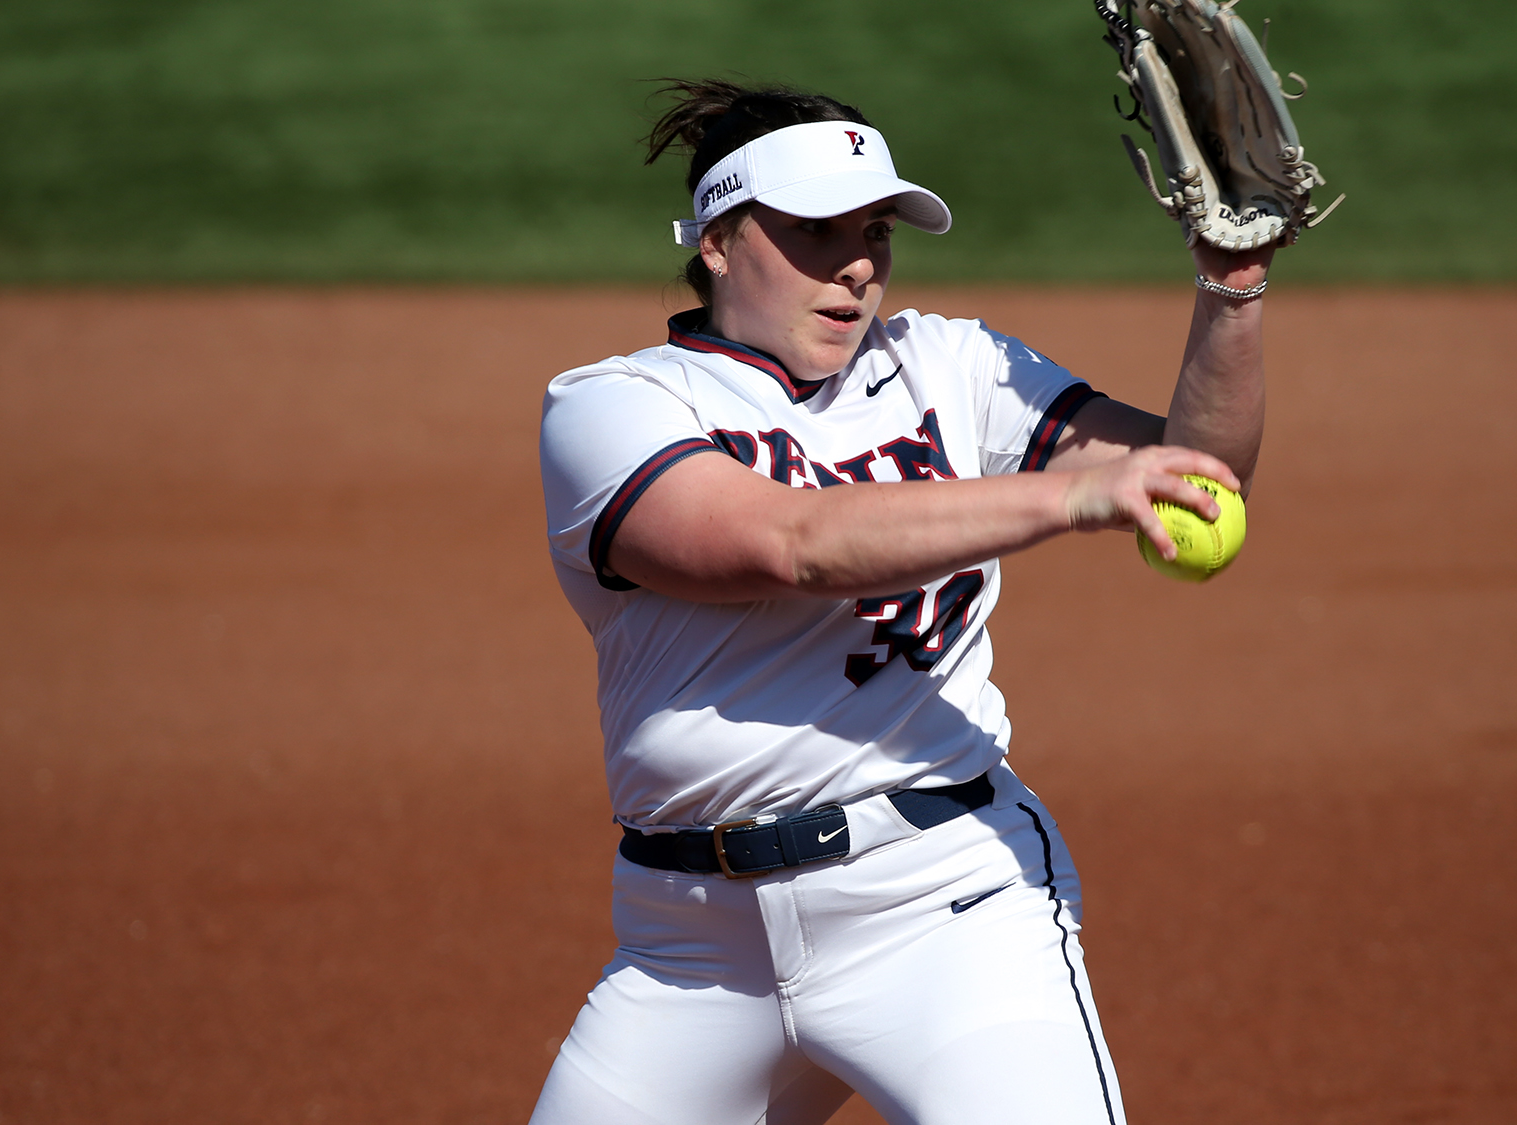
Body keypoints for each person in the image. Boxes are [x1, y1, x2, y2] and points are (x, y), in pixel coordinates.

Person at [531, 79, 1271, 1125]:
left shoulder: (948, 365)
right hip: (689, 951)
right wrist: (1068, 494)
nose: (856, 266)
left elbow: (1193, 476)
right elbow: (785, 544)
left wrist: (1230, 290)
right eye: (813, 232)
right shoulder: (613, 407)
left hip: (941, 911)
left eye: (873, 230)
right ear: (714, 239)